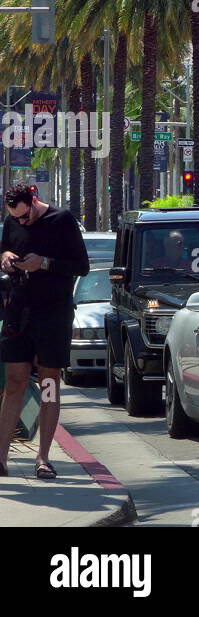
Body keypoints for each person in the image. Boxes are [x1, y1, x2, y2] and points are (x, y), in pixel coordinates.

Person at [0, 185, 89, 479]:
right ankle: (1, 458)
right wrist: (6, 257)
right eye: (16, 218)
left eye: (25, 217)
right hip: (19, 309)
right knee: (15, 380)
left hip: (53, 313)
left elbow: (82, 266)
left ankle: (43, 456)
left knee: (49, 382)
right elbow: (4, 248)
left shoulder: (62, 220)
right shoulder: (12, 220)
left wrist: (45, 263)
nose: (21, 222)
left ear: (34, 202)